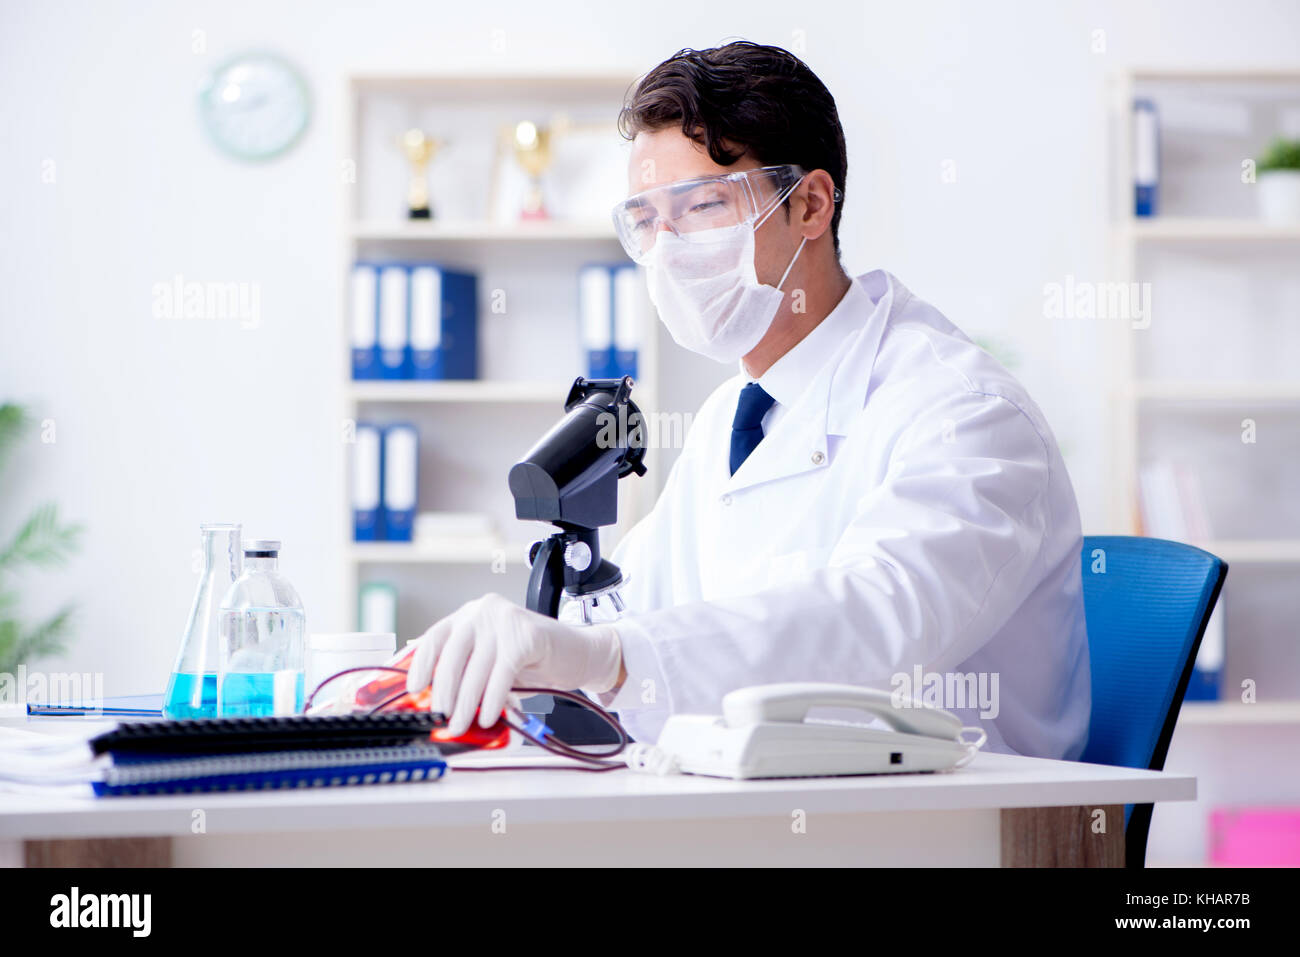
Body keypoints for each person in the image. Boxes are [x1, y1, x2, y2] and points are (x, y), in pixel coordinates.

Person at [405, 41, 1090, 760]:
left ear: (811, 205)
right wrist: (492, 658)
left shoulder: (964, 412)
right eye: (646, 220)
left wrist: (607, 658)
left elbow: (875, 618)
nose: (668, 250)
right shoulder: (735, 414)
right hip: (768, 793)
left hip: (956, 809)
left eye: (704, 205)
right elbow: (638, 607)